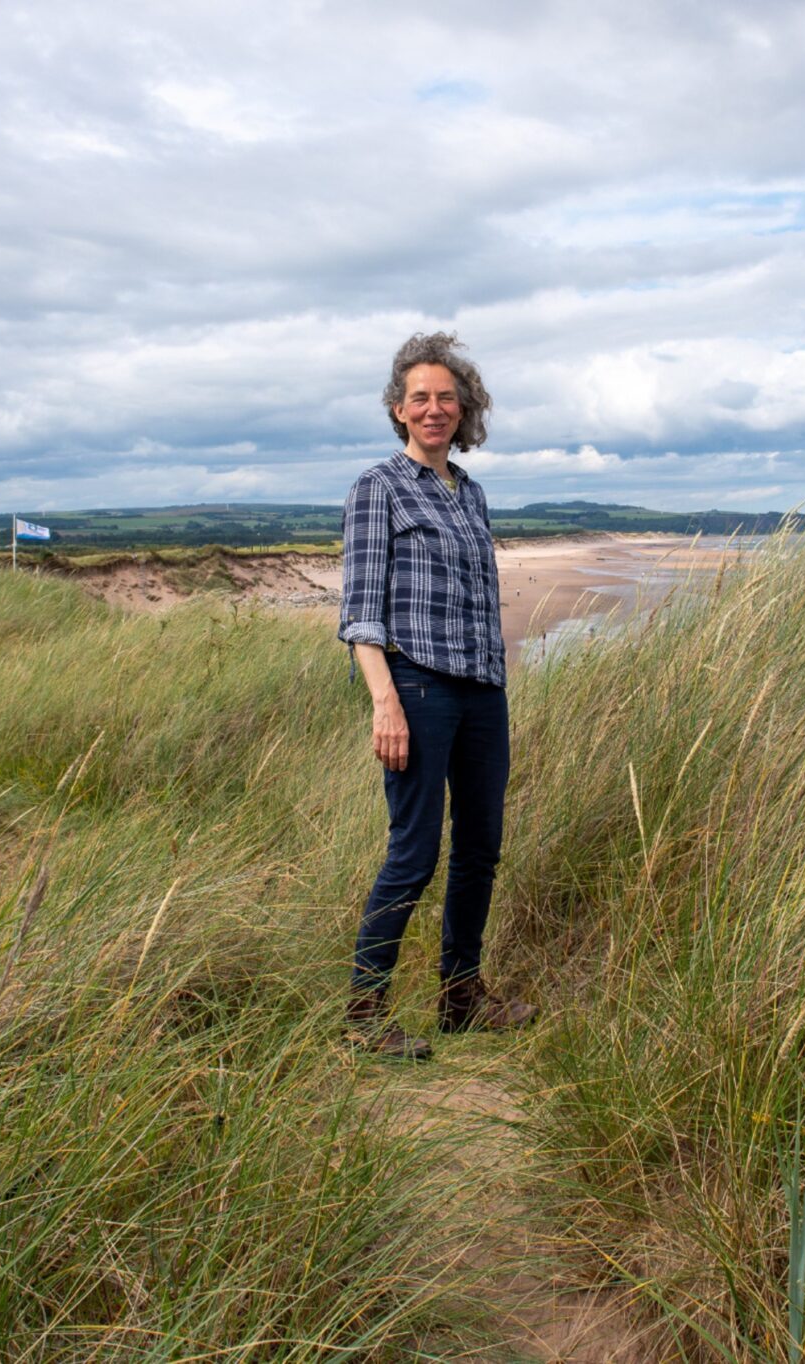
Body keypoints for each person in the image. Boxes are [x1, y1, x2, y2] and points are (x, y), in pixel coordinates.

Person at [338, 332, 537, 1059]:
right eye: (419, 397)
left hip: (483, 691)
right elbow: (361, 614)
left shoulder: (470, 493)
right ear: (398, 409)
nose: (433, 409)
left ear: (464, 409)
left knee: (480, 849)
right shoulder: (379, 488)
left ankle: (461, 997)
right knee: (414, 852)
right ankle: (364, 1016)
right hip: (417, 688)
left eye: (446, 398)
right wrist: (384, 703)